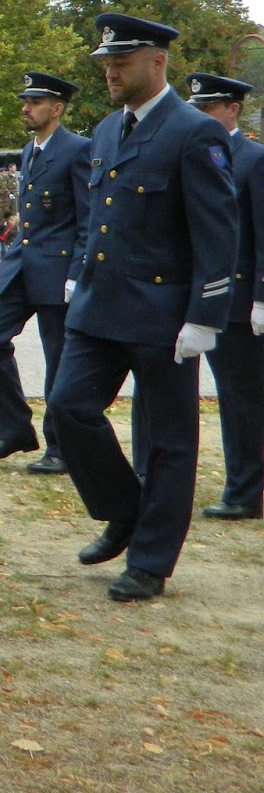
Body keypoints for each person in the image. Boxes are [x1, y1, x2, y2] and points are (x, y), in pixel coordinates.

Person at [51, 14, 236, 603]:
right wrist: (79, 277)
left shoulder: (193, 131)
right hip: (101, 304)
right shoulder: (107, 130)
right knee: (68, 409)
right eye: (106, 62)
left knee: (168, 440)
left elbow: (217, 230)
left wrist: (206, 314)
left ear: (157, 63)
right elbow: (99, 216)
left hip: (163, 313)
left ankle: (152, 560)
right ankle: (124, 509)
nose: (110, 70)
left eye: (121, 62)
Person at [0, 73, 91, 475]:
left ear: (56, 108)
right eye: (25, 100)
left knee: (58, 357)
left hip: (57, 270)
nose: (26, 107)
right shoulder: (31, 150)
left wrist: (76, 273)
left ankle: (60, 446)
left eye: (35, 102)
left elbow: (87, 219)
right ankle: (16, 430)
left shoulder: (78, 150)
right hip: (21, 264)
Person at [185, 73, 264, 521]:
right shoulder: (197, 153)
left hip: (238, 298)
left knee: (241, 397)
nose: (200, 115)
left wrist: (260, 298)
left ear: (233, 109)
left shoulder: (252, 159)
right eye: (196, 108)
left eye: (208, 107)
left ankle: (244, 492)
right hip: (198, 292)